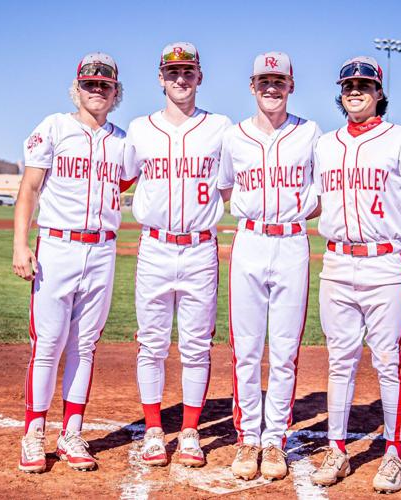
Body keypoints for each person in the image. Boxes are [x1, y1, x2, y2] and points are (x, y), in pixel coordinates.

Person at [310, 56, 401, 493]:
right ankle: (337, 450)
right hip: (337, 263)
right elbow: (312, 200)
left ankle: (395, 453)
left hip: (385, 263)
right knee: (339, 361)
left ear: (379, 92)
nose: (355, 90)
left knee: (388, 362)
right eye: (348, 85)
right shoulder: (325, 144)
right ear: (340, 93)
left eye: (364, 84)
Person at [13, 52, 130, 473]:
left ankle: (72, 432)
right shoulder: (54, 127)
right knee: (48, 343)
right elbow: (29, 188)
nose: (96, 89)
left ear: (116, 92)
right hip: (57, 247)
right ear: (76, 87)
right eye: (89, 83)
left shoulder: (122, 142)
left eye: (105, 84)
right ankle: (33, 434)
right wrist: (20, 244)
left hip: (102, 249)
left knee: (85, 345)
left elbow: (128, 181)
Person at [122, 42, 232, 467]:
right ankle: (153, 430)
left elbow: (229, 186)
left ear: (200, 77)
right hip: (154, 245)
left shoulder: (221, 127)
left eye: (188, 72)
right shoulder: (139, 128)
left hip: (200, 247)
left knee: (196, 346)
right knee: (151, 344)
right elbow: (122, 179)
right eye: (172, 73)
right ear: (160, 79)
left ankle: (189, 432)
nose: (180, 79)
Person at [217, 52, 321, 481]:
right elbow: (225, 188)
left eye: (279, 80)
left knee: (283, 350)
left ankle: (274, 438)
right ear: (252, 85)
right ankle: (248, 440)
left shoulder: (310, 133)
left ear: (291, 85)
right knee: (246, 348)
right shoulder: (233, 136)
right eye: (264, 81)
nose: (271, 88)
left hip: (293, 242)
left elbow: (323, 188)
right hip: (250, 240)